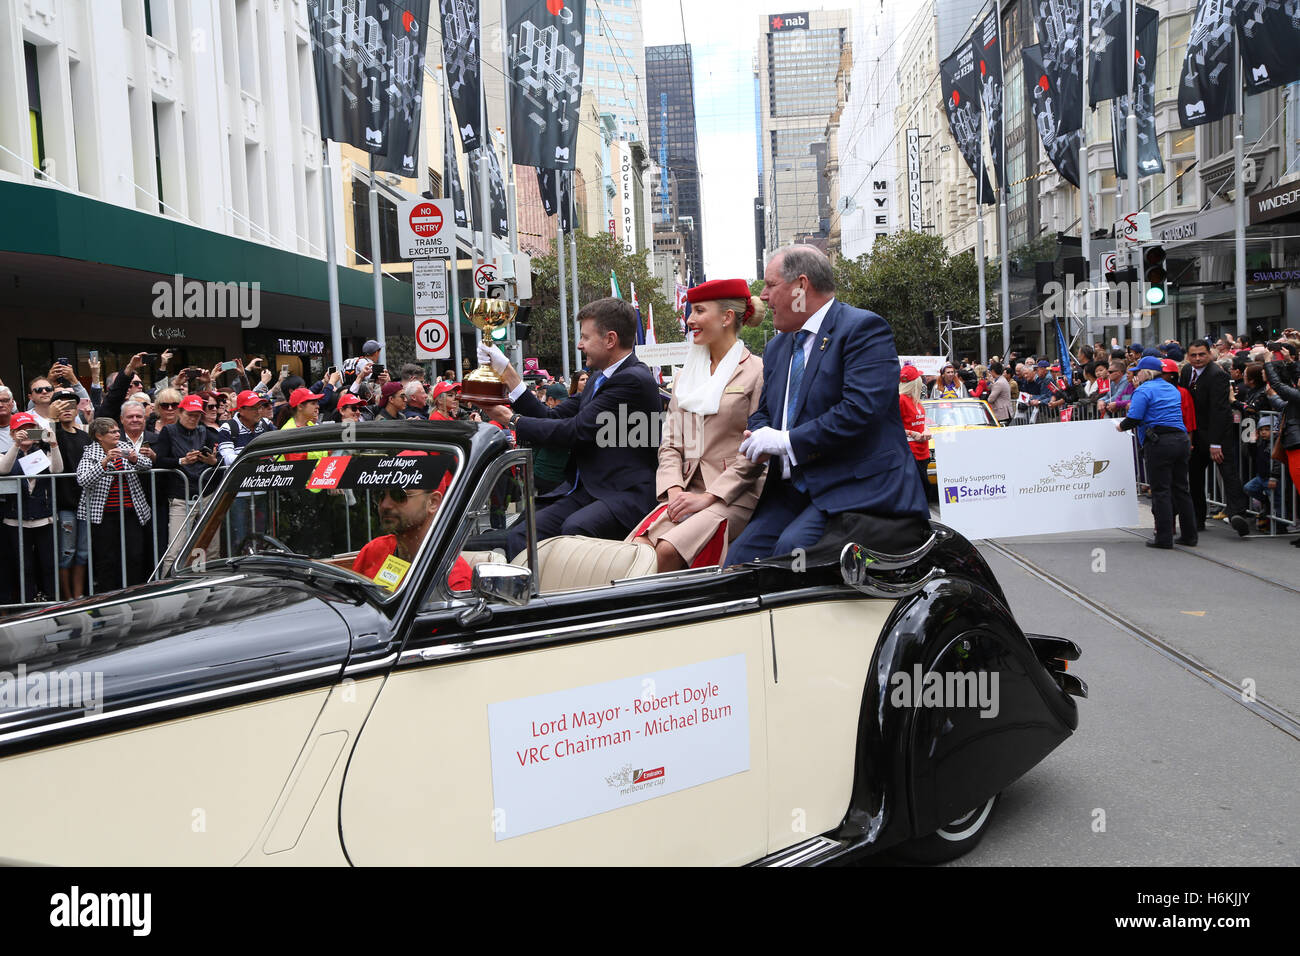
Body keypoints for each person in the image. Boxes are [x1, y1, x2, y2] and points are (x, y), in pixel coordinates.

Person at [728, 245, 929, 564]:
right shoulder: (778, 347)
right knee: (739, 560)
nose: (763, 296)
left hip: (852, 489)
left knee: (793, 556)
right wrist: (759, 436)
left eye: (769, 284)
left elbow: (859, 410)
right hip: (791, 492)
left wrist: (785, 441)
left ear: (800, 286)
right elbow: (766, 412)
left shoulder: (863, 330)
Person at [481, 297, 661, 558]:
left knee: (574, 530)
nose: (580, 345)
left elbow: (575, 431)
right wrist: (507, 372)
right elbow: (549, 416)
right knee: (522, 534)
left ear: (610, 340)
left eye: (585, 338)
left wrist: (512, 420)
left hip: (623, 493)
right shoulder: (600, 378)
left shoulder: (633, 380)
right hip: (588, 490)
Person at [628, 279, 767, 572]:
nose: (690, 320)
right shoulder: (685, 376)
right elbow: (670, 444)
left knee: (666, 552)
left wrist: (708, 497)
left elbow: (757, 452)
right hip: (686, 491)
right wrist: (674, 490)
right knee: (635, 553)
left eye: (699, 311)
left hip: (734, 494)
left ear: (727, 317)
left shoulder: (757, 371)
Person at [1116, 357, 1198, 549]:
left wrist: (1120, 427)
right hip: (1181, 439)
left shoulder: (1143, 390)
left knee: (1161, 490)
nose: (1136, 374)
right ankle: (1189, 535)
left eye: (1138, 371)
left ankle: (1164, 537)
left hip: (1160, 442)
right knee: (1181, 489)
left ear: (1147, 372)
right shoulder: (1171, 388)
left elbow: (1134, 417)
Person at [1180, 339, 1250, 536]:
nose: (1198, 358)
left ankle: (1238, 514)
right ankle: (1197, 518)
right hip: (1195, 434)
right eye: (1193, 355)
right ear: (1188, 356)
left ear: (1209, 354)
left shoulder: (1217, 375)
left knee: (1228, 473)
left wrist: (1216, 443)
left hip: (1217, 434)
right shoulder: (1186, 372)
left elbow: (1220, 411)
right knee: (1194, 477)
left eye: (1202, 354)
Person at [352, 478, 470, 592]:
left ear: (433, 502)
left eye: (399, 495)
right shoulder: (372, 551)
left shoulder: (451, 581)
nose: (385, 505)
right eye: (380, 495)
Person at [77, 417, 153, 594]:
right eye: (113, 432)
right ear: (99, 436)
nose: (118, 434)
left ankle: (133, 592)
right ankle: (108, 595)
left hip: (131, 511)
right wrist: (104, 462)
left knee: (135, 554)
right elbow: (83, 480)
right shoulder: (90, 453)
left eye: (118, 431)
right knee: (107, 558)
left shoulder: (126, 447)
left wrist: (135, 459)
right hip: (104, 515)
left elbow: (147, 464)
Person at [1, 412, 64, 601]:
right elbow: (3, 469)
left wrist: (53, 444)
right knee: (24, 567)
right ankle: (27, 603)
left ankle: (53, 601)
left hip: (44, 519)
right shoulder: (6, 454)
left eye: (30, 430)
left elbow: (57, 470)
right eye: (20, 430)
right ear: (12, 433)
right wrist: (16, 445)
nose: (25, 433)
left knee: (49, 564)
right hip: (15, 520)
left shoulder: (43, 453)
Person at [156, 395, 221, 571]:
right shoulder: (168, 431)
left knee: (211, 548)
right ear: (180, 412)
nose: (193, 418)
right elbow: (158, 460)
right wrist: (181, 461)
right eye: (190, 414)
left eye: (197, 415)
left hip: (206, 493)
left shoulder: (204, 431)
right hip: (180, 496)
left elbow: (219, 461)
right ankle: (166, 591)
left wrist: (212, 462)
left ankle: (210, 590)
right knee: (175, 550)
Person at [54, 390, 93, 599]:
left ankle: (78, 596)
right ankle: (67, 597)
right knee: (66, 552)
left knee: (83, 552)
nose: (67, 409)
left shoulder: (84, 436)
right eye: (61, 406)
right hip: (64, 504)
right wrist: (51, 421)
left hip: (85, 502)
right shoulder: (53, 433)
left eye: (70, 405)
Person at [1263, 348, 1300, 546]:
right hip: (1294, 445)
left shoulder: (1297, 396)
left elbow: (1278, 385)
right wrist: (1290, 360)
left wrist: (1268, 362)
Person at [530, 383, 573, 495]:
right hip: (546, 474)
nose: (565, 405)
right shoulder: (544, 418)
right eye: (562, 401)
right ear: (550, 400)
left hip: (559, 475)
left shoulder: (565, 416)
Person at [898, 364, 932, 489]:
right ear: (915, 382)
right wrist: (912, 433)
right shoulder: (901, 399)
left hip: (923, 451)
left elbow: (921, 421)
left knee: (923, 489)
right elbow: (894, 426)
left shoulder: (915, 400)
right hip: (911, 452)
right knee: (918, 490)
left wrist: (926, 430)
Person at [985, 360, 1011, 425]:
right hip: (1006, 413)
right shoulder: (1002, 380)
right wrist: (992, 382)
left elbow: (990, 399)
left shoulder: (998, 383)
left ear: (993, 371)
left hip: (1001, 414)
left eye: (990, 372)